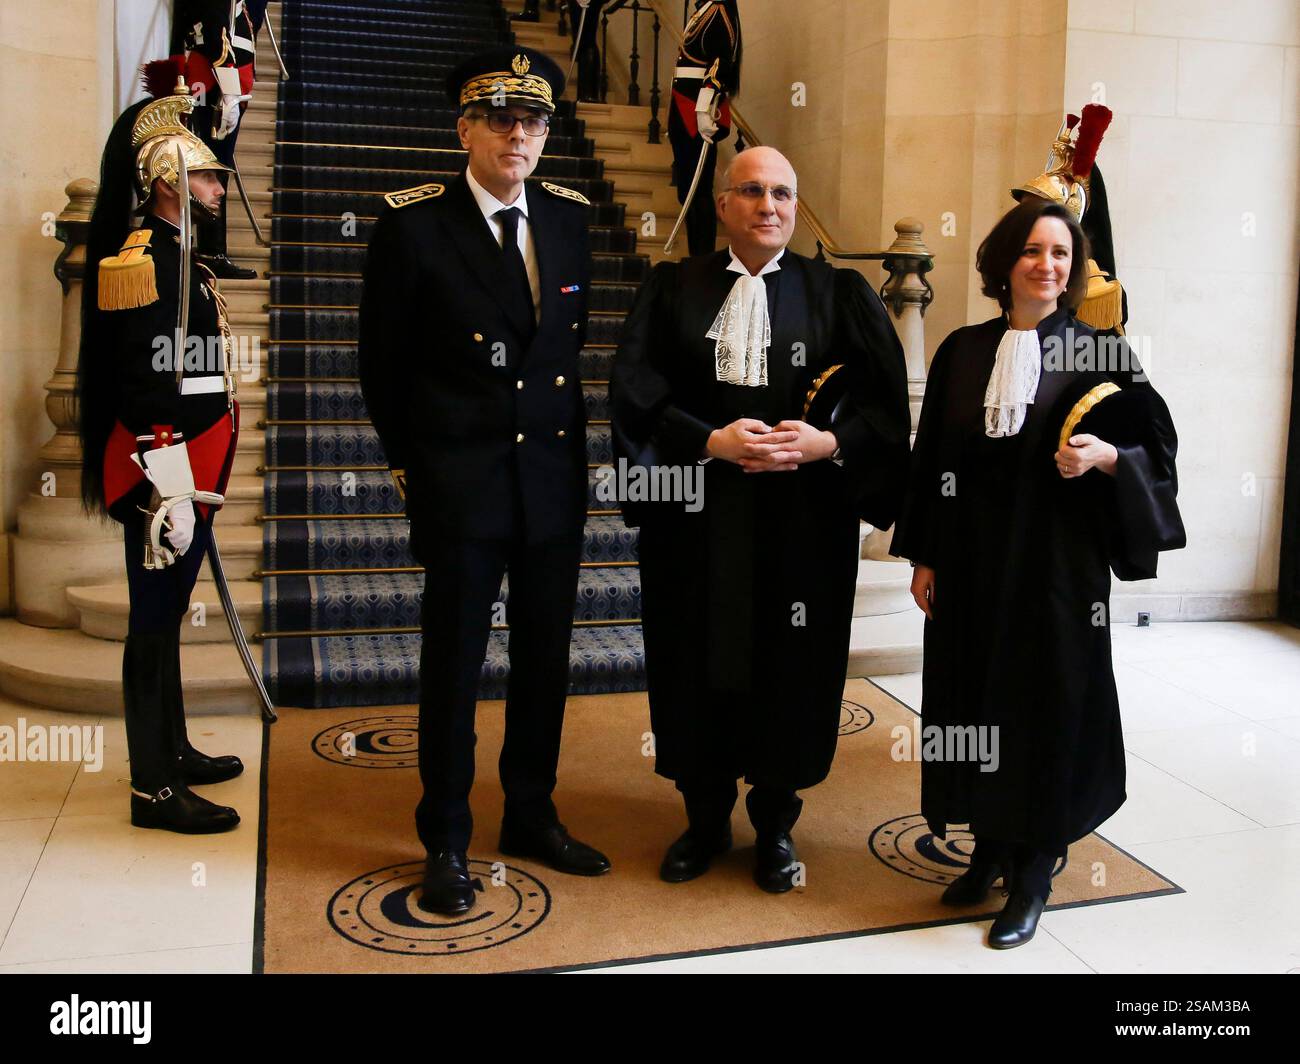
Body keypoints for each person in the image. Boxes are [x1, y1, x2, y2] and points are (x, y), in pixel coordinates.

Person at [611, 146, 911, 893]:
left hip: (803, 521)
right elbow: (633, 390)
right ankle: (705, 818)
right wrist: (706, 439)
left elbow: (882, 403)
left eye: (782, 192)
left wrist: (828, 443)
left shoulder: (835, 292)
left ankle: (776, 826)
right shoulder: (674, 287)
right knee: (692, 659)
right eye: (751, 191)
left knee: (793, 670)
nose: (769, 205)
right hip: (695, 517)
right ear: (723, 205)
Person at [891, 195, 1186, 948]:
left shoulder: (1102, 352)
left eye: (1060, 254)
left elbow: (1160, 452)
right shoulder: (961, 349)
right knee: (970, 703)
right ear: (1002, 263)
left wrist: (1107, 458)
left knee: (1046, 708)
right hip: (971, 568)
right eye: (1032, 251)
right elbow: (933, 462)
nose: (1047, 265)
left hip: (1058, 574)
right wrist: (924, 553)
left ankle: (1035, 867)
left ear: (1075, 270)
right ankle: (989, 845)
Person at [358, 47, 611, 916]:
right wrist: (415, 468)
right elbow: (382, 367)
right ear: (464, 127)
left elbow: (563, 357)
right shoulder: (414, 226)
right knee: (455, 664)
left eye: (533, 120)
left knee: (545, 661)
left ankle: (531, 814)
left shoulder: (570, 220)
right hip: (463, 484)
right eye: (499, 118)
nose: (518, 134)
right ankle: (446, 837)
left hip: (548, 481)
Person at [77, 90, 245, 834]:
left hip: (192, 465)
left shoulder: (182, 258)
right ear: (170, 179)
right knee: (151, 621)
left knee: (169, 613)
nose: (216, 187)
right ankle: (153, 788)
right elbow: (146, 388)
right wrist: (171, 485)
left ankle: (172, 749)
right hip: (163, 470)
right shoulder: (142, 261)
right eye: (206, 176)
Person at [152, 1, 258, 279]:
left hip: (217, 80)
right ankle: (212, 253)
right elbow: (215, 30)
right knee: (214, 167)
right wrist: (230, 90)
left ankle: (212, 250)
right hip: (216, 82)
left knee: (216, 164)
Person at [667, 0, 741, 256]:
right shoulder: (703, 10)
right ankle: (696, 254)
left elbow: (721, 63)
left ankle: (702, 257)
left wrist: (703, 107)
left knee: (698, 191)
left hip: (695, 110)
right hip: (681, 105)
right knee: (687, 189)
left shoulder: (719, 11)